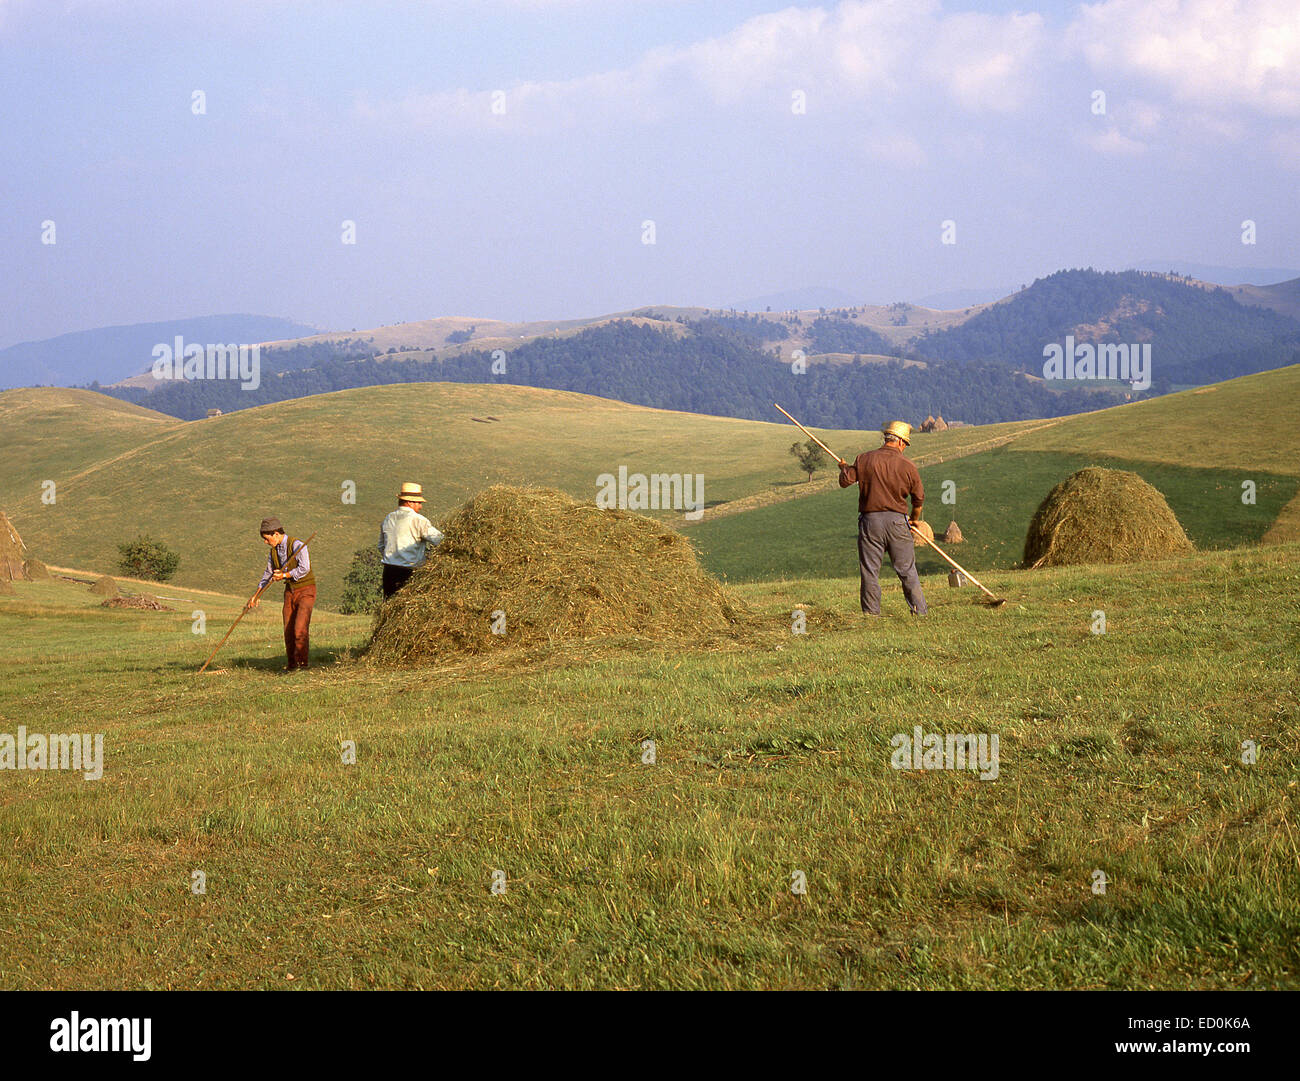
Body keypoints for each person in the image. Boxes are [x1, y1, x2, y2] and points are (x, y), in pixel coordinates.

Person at [838, 421, 928, 617]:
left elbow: (846, 481)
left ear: (887, 439)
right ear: (901, 443)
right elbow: (919, 498)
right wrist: (914, 520)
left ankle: (871, 615)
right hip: (897, 522)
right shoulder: (908, 465)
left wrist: (844, 467)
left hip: (870, 523)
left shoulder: (864, 459)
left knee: (870, 571)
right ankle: (920, 613)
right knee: (906, 569)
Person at [247, 517, 315, 671]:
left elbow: (305, 568)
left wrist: (284, 575)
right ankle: (292, 666)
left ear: (276, 534)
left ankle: (302, 666)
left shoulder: (298, 545)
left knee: (300, 629)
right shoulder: (274, 552)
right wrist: (256, 595)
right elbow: (268, 575)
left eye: (266, 539)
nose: (265, 542)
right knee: (288, 629)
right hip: (290, 591)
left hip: (306, 589)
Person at [379, 483, 444, 599]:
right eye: (418, 503)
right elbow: (440, 540)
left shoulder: (388, 518)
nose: (420, 507)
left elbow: (381, 546)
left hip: (388, 572)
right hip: (409, 573)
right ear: (410, 502)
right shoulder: (418, 520)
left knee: (390, 609)